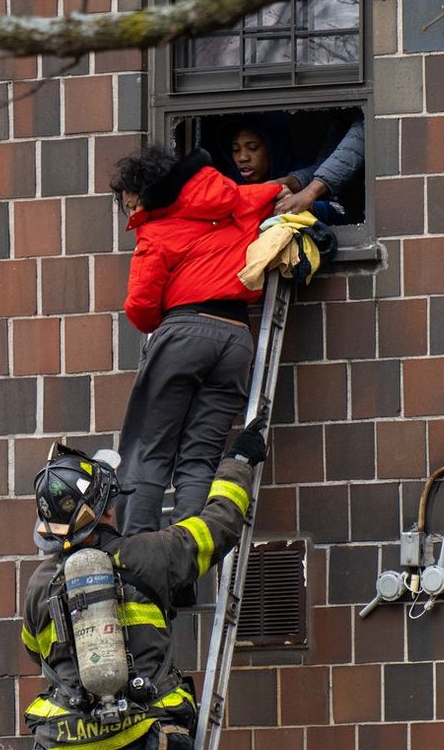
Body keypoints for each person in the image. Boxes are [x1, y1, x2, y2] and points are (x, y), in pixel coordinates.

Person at [21, 423, 268, 750]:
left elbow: (34, 651)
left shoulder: (39, 586)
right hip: (143, 738)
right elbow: (218, 526)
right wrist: (239, 462)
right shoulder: (149, 555)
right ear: (106, 511)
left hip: (73, 744)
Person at [109, 145, 281, 536]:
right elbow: (278, 190)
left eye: (131, 203)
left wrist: (167, 323)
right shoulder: (236, 199)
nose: (131, 212)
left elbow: (141, 305)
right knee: (200, 458)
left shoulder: (157, 228)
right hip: (236, 339)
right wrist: (297, 182)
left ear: (147, 190)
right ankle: (188, 553)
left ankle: (140, 553)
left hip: (184, 333)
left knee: (147, 450)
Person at [226, 111, 366, 223]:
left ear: (274, 148)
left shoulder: (306, 176)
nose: (242, 157)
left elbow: (344, 213)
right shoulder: (227, 185)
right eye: (235, 150)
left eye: (253, 148)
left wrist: (310, 208)